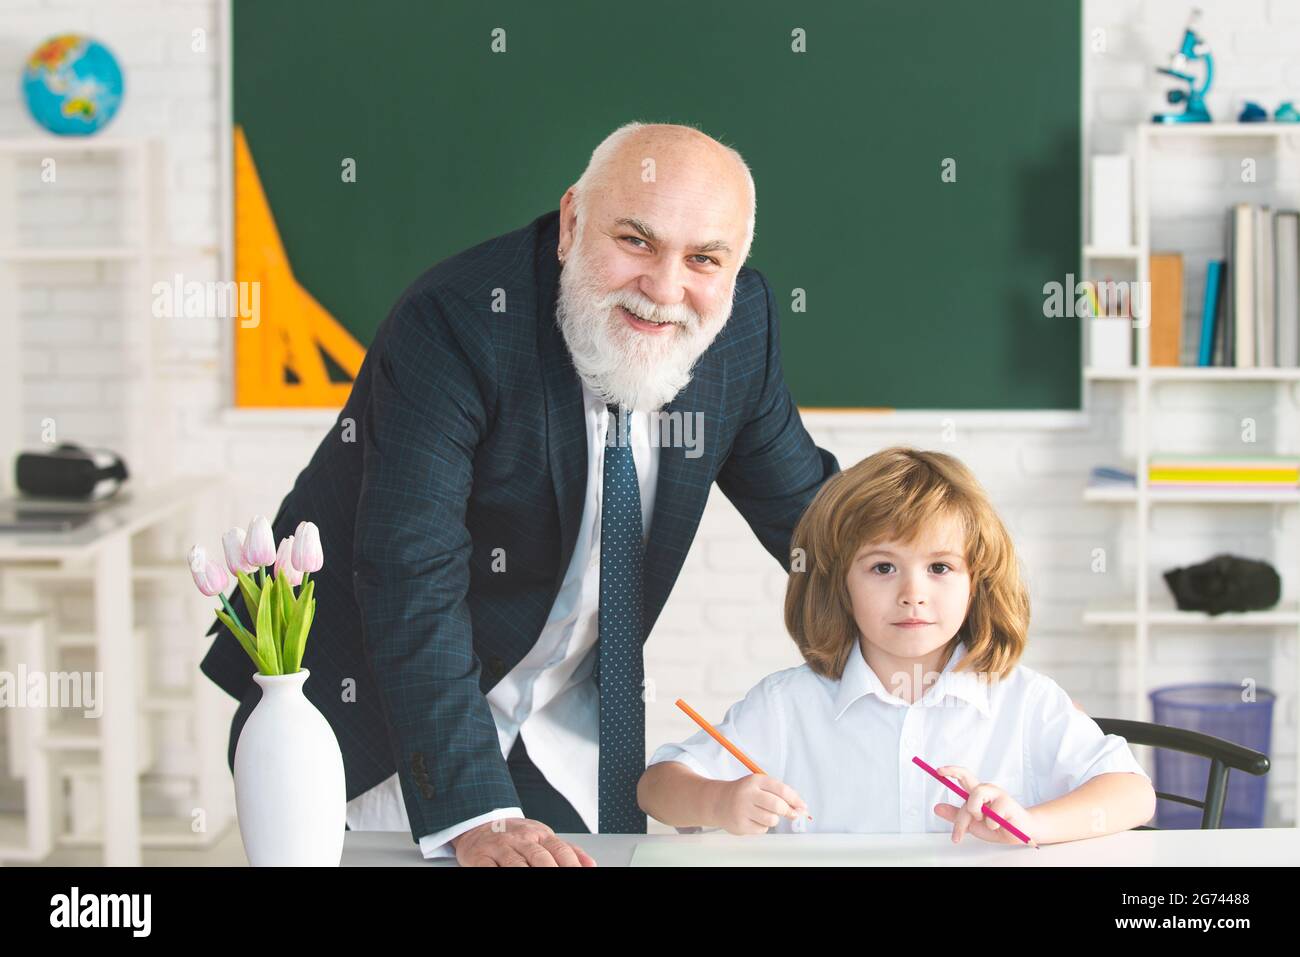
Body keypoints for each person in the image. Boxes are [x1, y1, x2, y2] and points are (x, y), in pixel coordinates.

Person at [198, 121, 840, 866]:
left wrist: (956, 636)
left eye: (703, 258)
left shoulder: (738, 327)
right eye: (635, 241)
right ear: (572, 222)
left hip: (559, 715)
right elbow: (410, 568)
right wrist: (476, 812)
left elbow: (818, 522)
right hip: (374, 704)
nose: (666, 289)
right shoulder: (457, 320)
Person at [638, 446, 1156, 846]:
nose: (913, 594)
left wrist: (1030, 823)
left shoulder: (1024, 701)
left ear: (977, 582)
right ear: (838, 583)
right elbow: (657, 788)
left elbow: (1133, 793)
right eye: (883, 567)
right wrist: (720, 800)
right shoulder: (787, 706)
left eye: (940, 567)